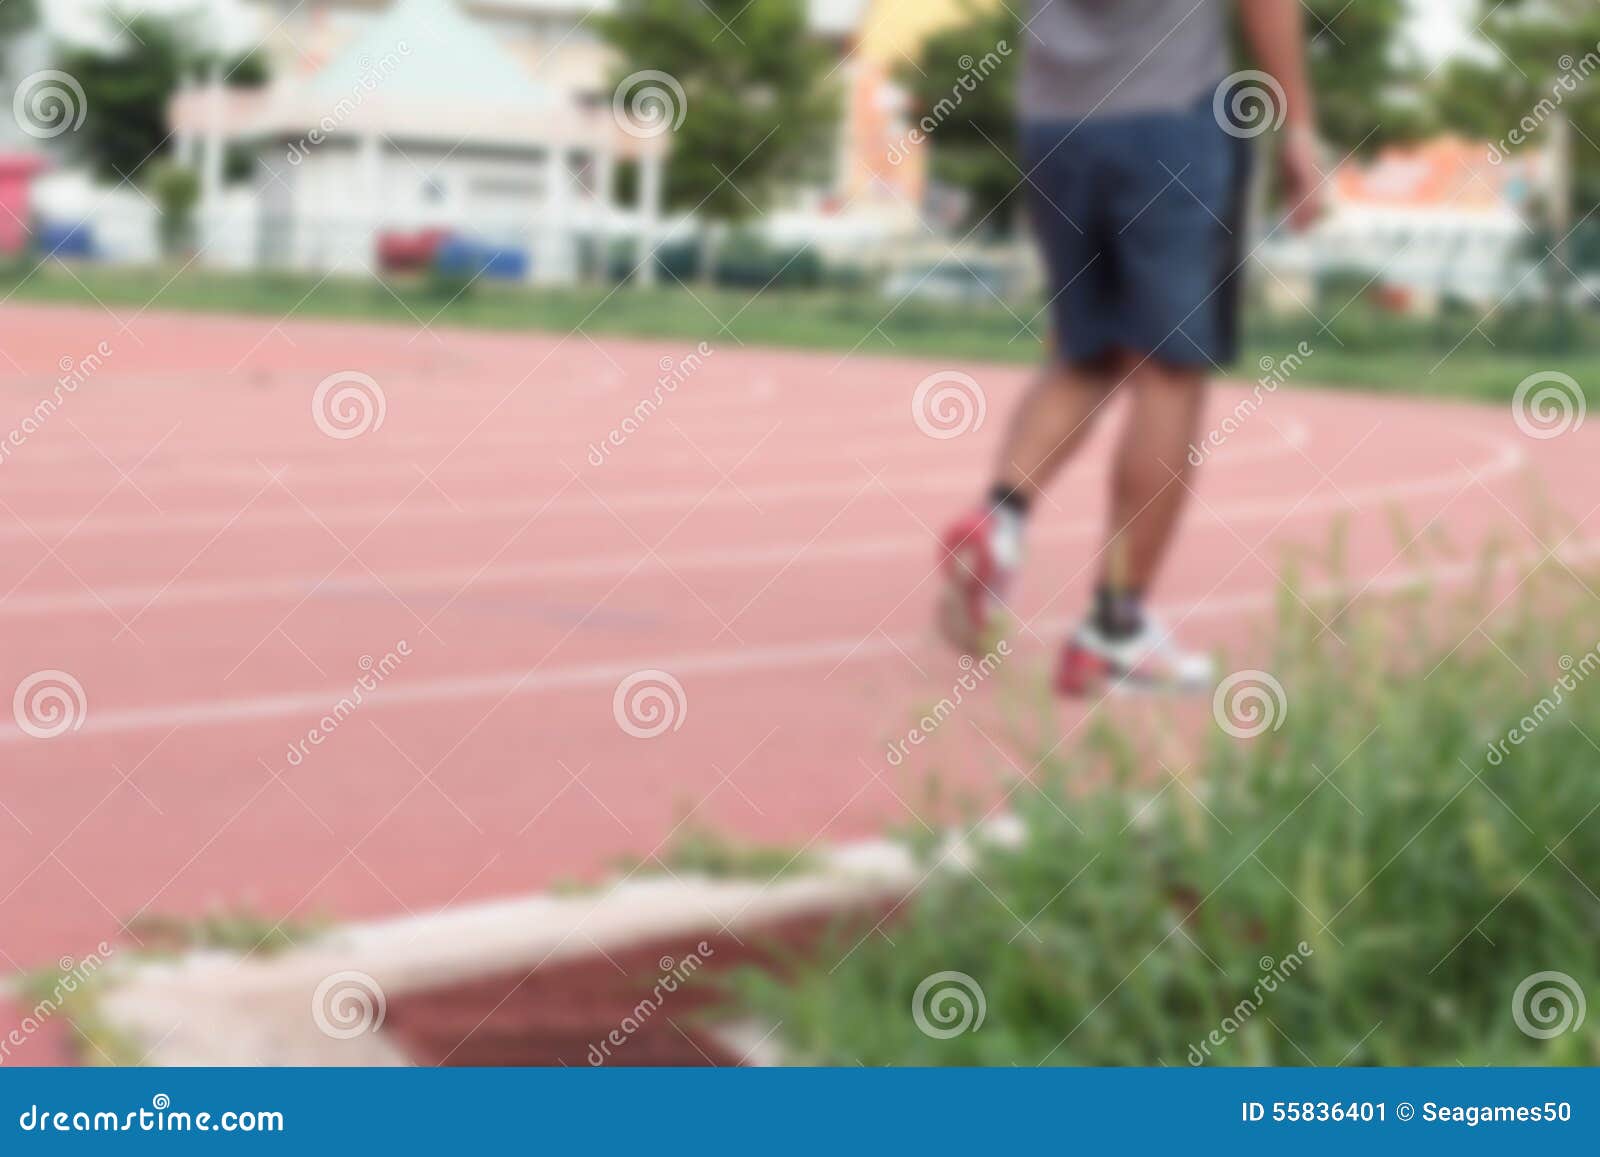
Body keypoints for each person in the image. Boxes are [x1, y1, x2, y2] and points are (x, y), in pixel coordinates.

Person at [938, 0, 1322, 694]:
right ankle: (1114, 632)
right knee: (1170, 371)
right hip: (1167, 113)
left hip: (1053, 119)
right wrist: (1298, 125)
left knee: (1085, 351)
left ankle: (1001, 516)